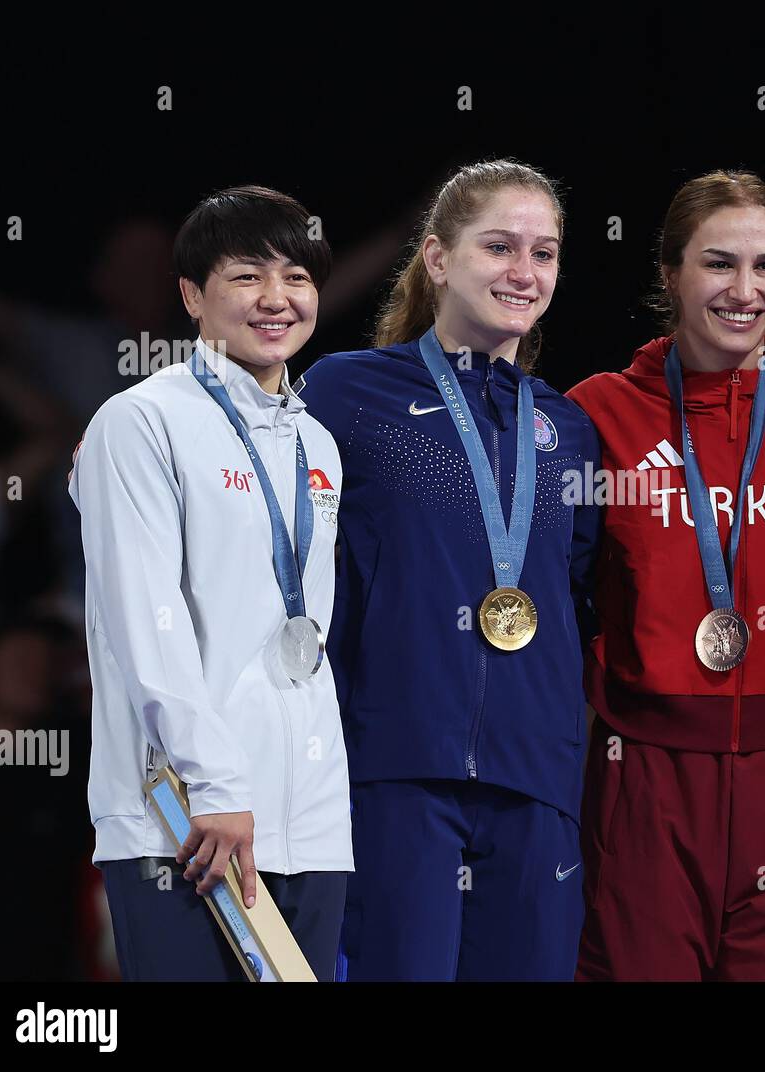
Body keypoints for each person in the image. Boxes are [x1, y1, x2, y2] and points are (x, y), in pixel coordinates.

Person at [298, 160, 601, 982]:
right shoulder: (345, 393)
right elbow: (260, 510)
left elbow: (579, 591)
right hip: (395, 765)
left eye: (544, 252)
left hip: (537, 777)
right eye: (499, 246)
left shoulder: (568, 429)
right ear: (437, 258)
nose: (524, 271)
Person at [566, 171, 765, 981]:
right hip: (644, 789)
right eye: (718, 264)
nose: (746, 290)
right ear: (669, 274)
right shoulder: (598, 415)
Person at [69, 185, 353, 981]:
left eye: (297, 277)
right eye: (247, 276)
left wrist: (329, 810)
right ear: (193, 295)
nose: (277, 298)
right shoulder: (140, 421)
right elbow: (145, 621)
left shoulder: (319, 445)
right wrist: (215, 784)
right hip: (185, 820)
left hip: (312, 819)